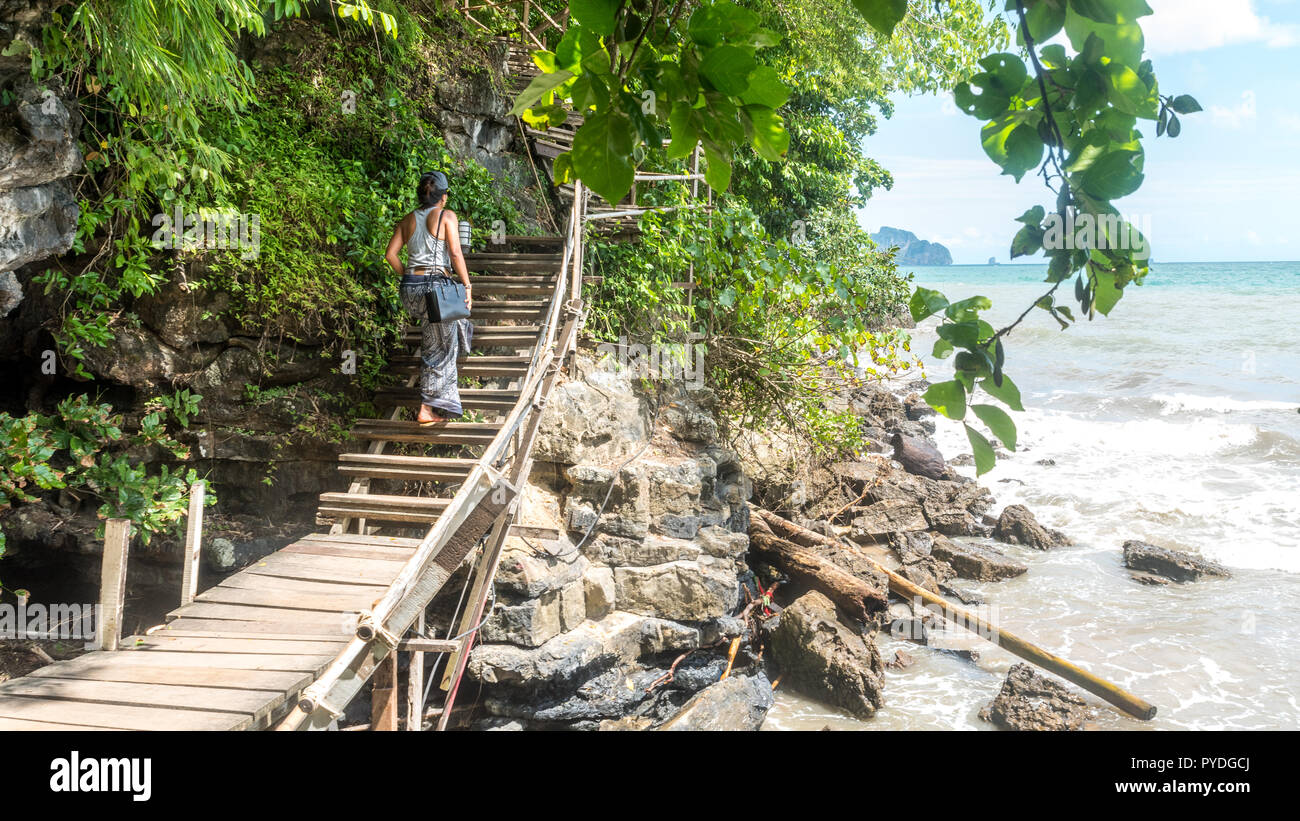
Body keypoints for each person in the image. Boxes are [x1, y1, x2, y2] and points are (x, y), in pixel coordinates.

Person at [384, 171, 473, 425]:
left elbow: (391, 255)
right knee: (441, 347)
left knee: (437, 337)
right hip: (435, 290)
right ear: (443, 197)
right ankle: (427, 409)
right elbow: (455, 253)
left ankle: (432, 404)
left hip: (410, 291)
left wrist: (410, 276)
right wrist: (467, 285)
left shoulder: (407, 219)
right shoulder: (447, 216)